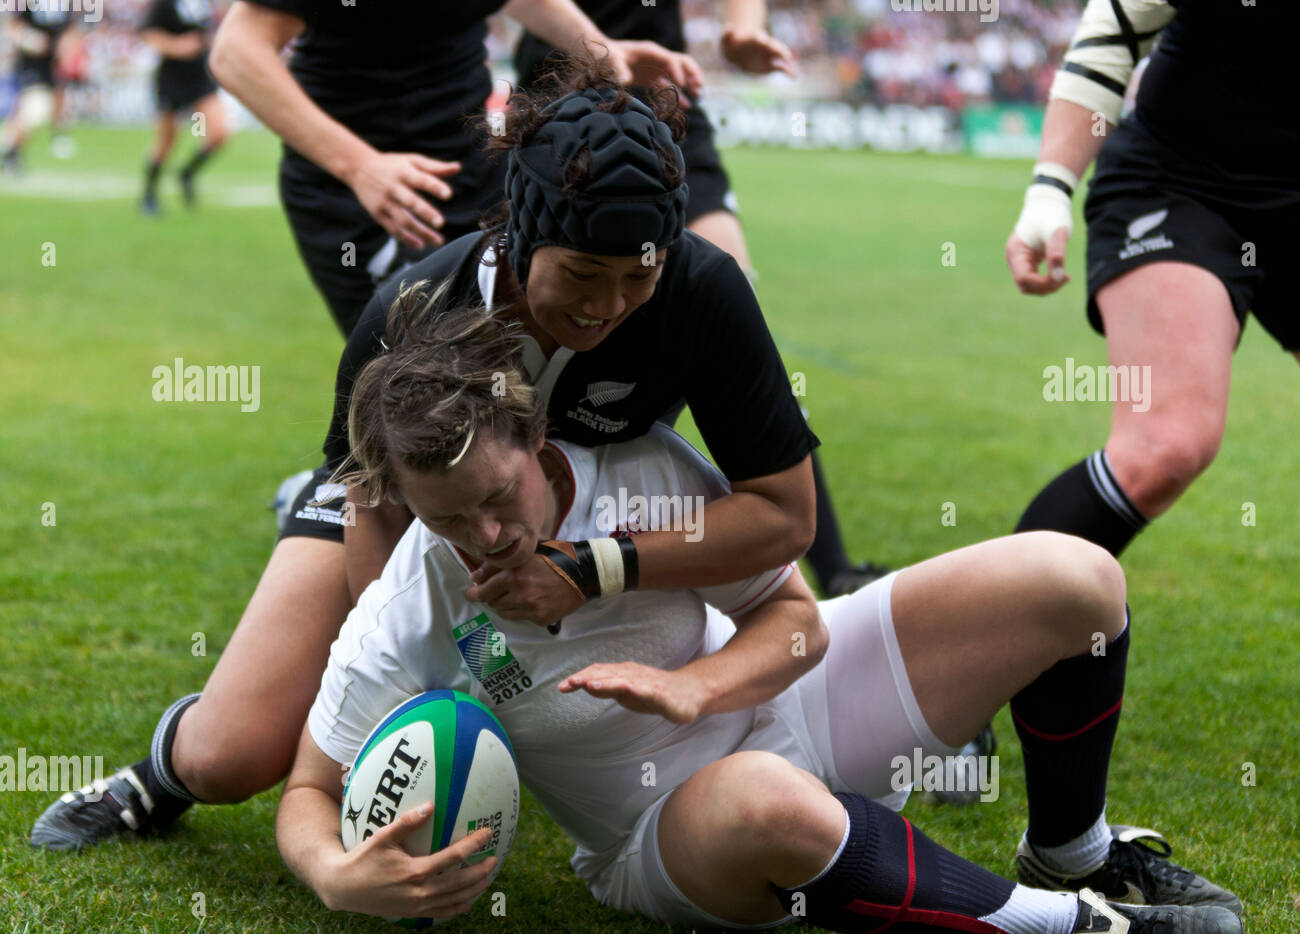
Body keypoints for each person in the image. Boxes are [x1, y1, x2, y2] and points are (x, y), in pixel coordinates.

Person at [275, 294, 1242, 934]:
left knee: (1077, 577)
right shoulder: (415, 596)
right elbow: (310, 791)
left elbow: (794, 621)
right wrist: (336, 874)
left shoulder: (644, 469)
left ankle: (1070, 852)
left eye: (497, 500)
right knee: (769, 804)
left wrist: (700, 688)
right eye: (447, 521)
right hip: (667, 833)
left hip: (792, 704)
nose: (483, 538)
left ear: (533, 440)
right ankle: (1066, 928)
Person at [30, 65, 820, 852]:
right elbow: (376, 518)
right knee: (230, 757)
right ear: (525, 237)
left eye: (636, 278)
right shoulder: (411, 309)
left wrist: (591, 567)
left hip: (594, 510)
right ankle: (156, 776)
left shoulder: (701, 292)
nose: (606, 305)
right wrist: (442, 668)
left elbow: (785, 515)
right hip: (410, 512)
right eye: (581, 274)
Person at [516, 1, 887, 603]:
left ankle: (825, 562)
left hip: (666, 113)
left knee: (722, 302)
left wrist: (746, 26)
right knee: (498, 338)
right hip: (559, 120)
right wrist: (596, 46)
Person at [209, 0, 702, 335]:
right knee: (421, 385)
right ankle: (338, 483)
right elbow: (235, 52)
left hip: (476, 170)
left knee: (513, 361)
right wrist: (358, 166)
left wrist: (600, 47)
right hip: (361, 191)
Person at [1005, 0, 1299, 559]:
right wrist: (1050, 189)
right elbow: (1111, 37)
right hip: (1181, 182)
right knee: (1164, 448)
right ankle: (990, 632)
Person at [139, 0, 230, 215]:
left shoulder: (205, 3)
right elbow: (148, 33)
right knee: (167, 141)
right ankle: (149, 194)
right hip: (171, 78)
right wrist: (177, 46)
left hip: (200, 77)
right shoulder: (164, 4)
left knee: (219, 133)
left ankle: (187, 172)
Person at [1, 4, 75, 172]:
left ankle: (11, 151)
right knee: (33, 110)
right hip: (31, 65)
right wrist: (30, 40)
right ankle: (11, 151)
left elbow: (67, 33)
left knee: (33, 113)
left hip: (50, 66)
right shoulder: (30, 5)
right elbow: (13, 27)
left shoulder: (64, 7)